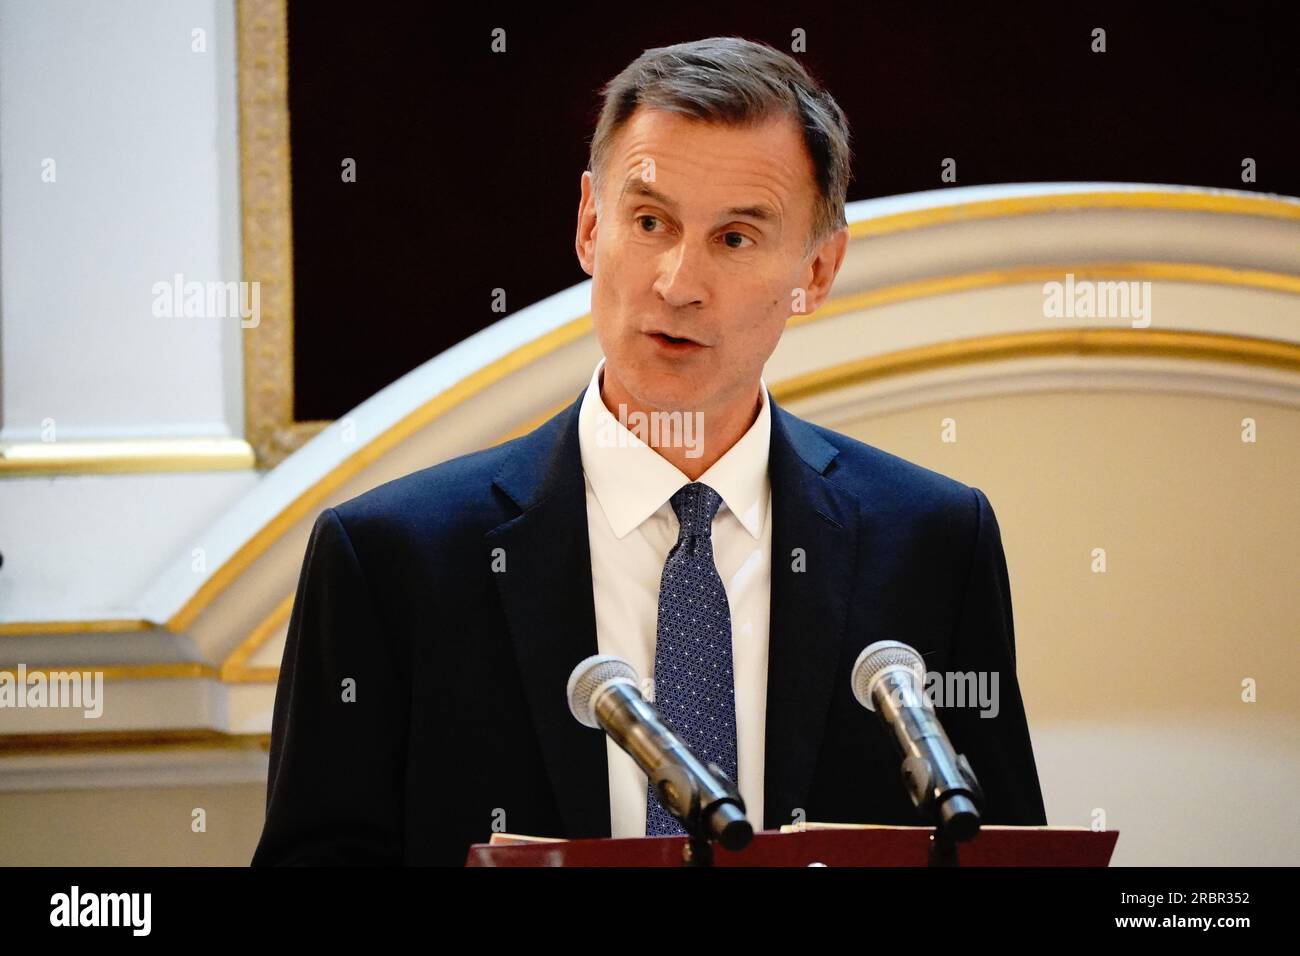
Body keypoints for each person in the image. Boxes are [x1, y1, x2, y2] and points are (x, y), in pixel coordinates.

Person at [252, 36, 1046, 866]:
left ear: (817, 270)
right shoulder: (389, 562)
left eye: (735, 238)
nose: (677, 283)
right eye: (649, 222)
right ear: (590, 225)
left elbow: (1005, 851)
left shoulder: (931, 542)